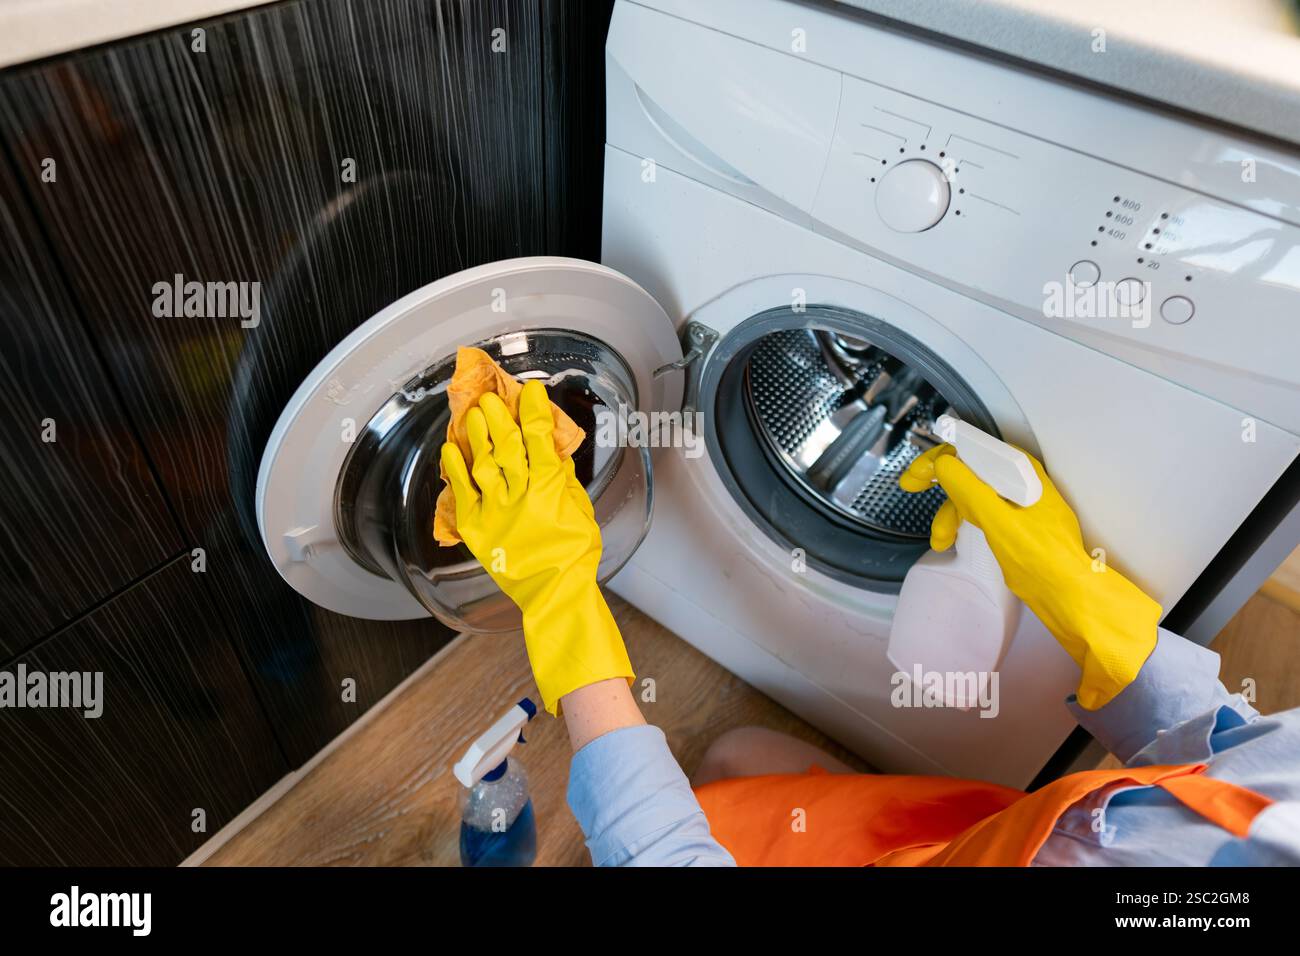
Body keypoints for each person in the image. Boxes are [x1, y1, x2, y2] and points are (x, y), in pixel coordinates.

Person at [439, 380, 1299, 866]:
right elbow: (1235, 756)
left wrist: (560, 595)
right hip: (996, 844)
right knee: (739, 760)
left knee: (700, 800)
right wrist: (1083, 599)